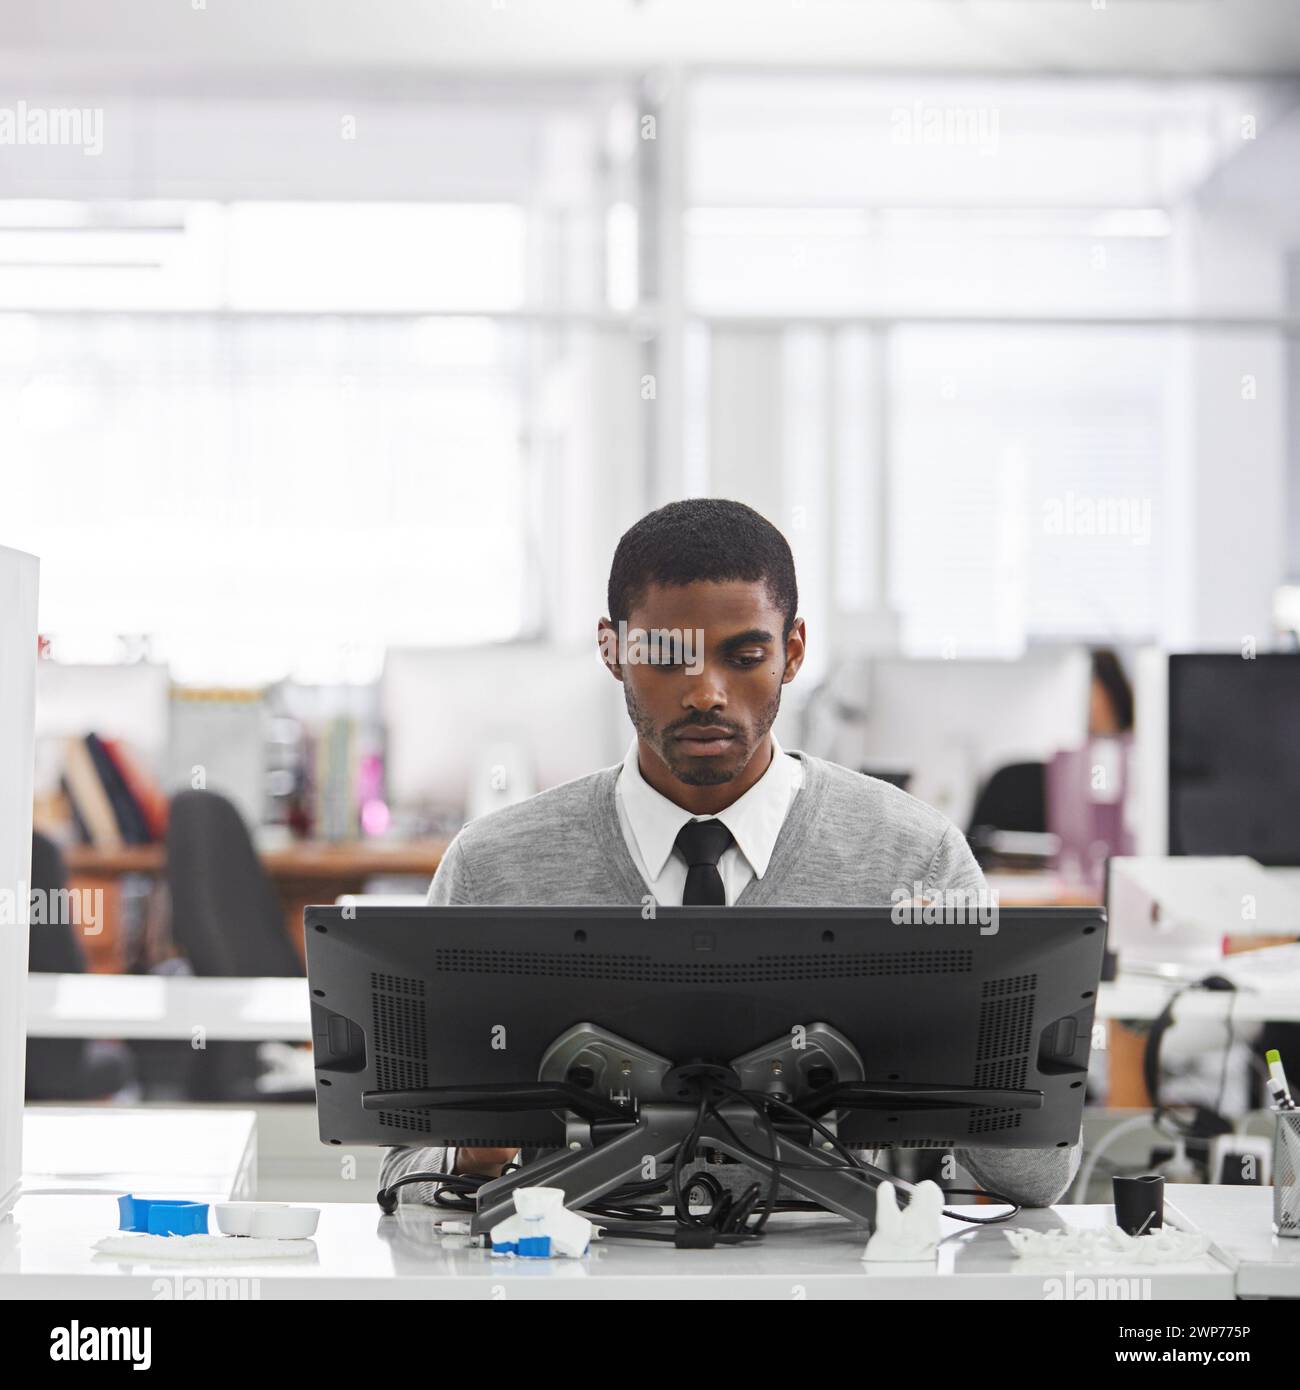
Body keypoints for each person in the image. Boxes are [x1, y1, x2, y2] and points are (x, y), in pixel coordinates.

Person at [381, 498, 1081, 1207]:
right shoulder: (494, 867)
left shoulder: (912, 856)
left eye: (745, 657)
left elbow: (1036, 1181)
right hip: (568, 1260)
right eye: (667, 657)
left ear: (794, 651)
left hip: (833, 1260)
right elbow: (401, 1177)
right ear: (612, 649)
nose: (706, 693)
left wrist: (960, 1035)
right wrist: (470, 1154)